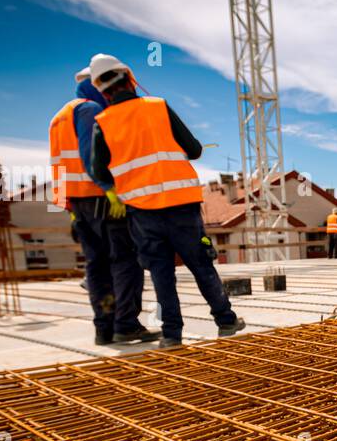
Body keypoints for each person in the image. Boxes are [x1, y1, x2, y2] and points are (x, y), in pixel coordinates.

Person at [85, 52, 243, 348]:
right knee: (200, 265)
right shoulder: (157, 107)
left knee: (161, 274)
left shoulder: (102, 123)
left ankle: (172, 335)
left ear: (101, 90)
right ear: (130, 79)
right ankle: (225, 320)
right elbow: (194, 149)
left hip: (142, 213)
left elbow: (98, 171)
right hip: (182, 205)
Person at [50, 66, 157, 346]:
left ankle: (104, 328)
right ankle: (126, 324)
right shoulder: (90, 110)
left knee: (96, 266)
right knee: (126, 261)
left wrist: (72, 207)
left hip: (79, 204)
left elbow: (62, 167)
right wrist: (112, 190)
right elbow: (90, 157)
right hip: (102, 199)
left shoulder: (60, 116)